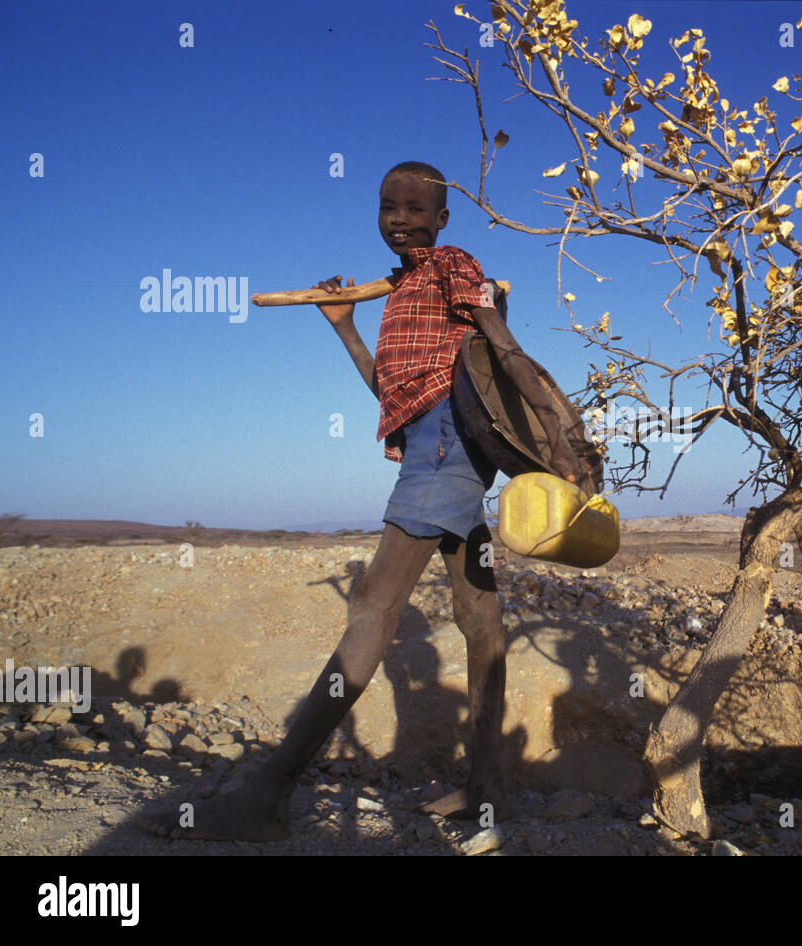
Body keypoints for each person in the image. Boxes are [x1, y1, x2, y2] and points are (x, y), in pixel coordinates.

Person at [139, 161, 582, 841]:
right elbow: (393, 394)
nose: (400, 219)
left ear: (441, 219)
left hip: (442, 456)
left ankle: (267, 793)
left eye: (415, 209)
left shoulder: (454, 267)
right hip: (445, 453)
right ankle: (487, 790)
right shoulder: (402, 293)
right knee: (481, 617)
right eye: (387, 207)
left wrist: (563, 432)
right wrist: (344, 325)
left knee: (371, 611)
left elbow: (508, 349)